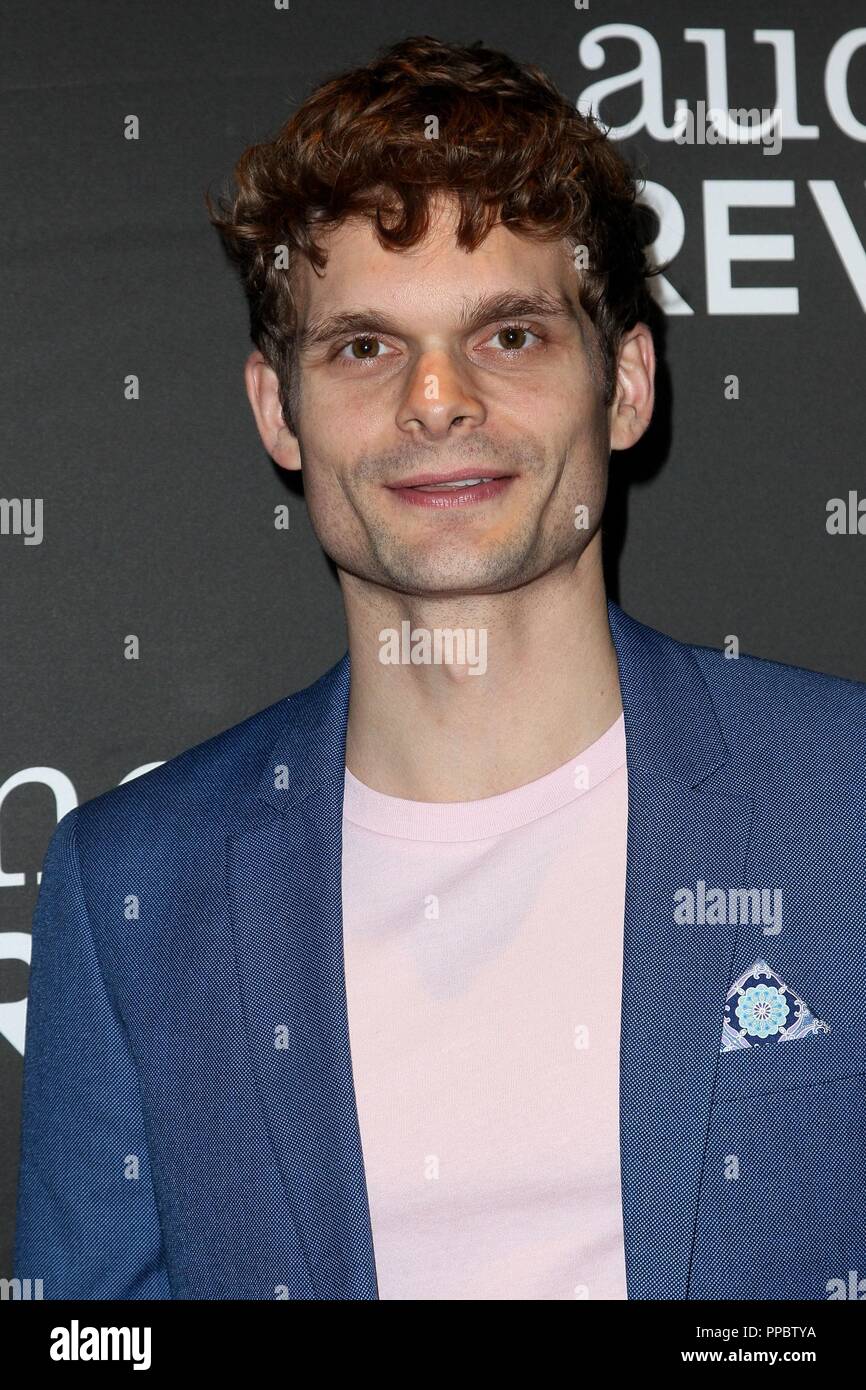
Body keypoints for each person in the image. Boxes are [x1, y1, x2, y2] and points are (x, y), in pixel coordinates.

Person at [13, 34, 866, 1301]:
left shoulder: (842, 802)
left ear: (623, 384)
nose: (435, 399)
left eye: (508, 335)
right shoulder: (133, 886)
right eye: (361, 347)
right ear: (274, 408)